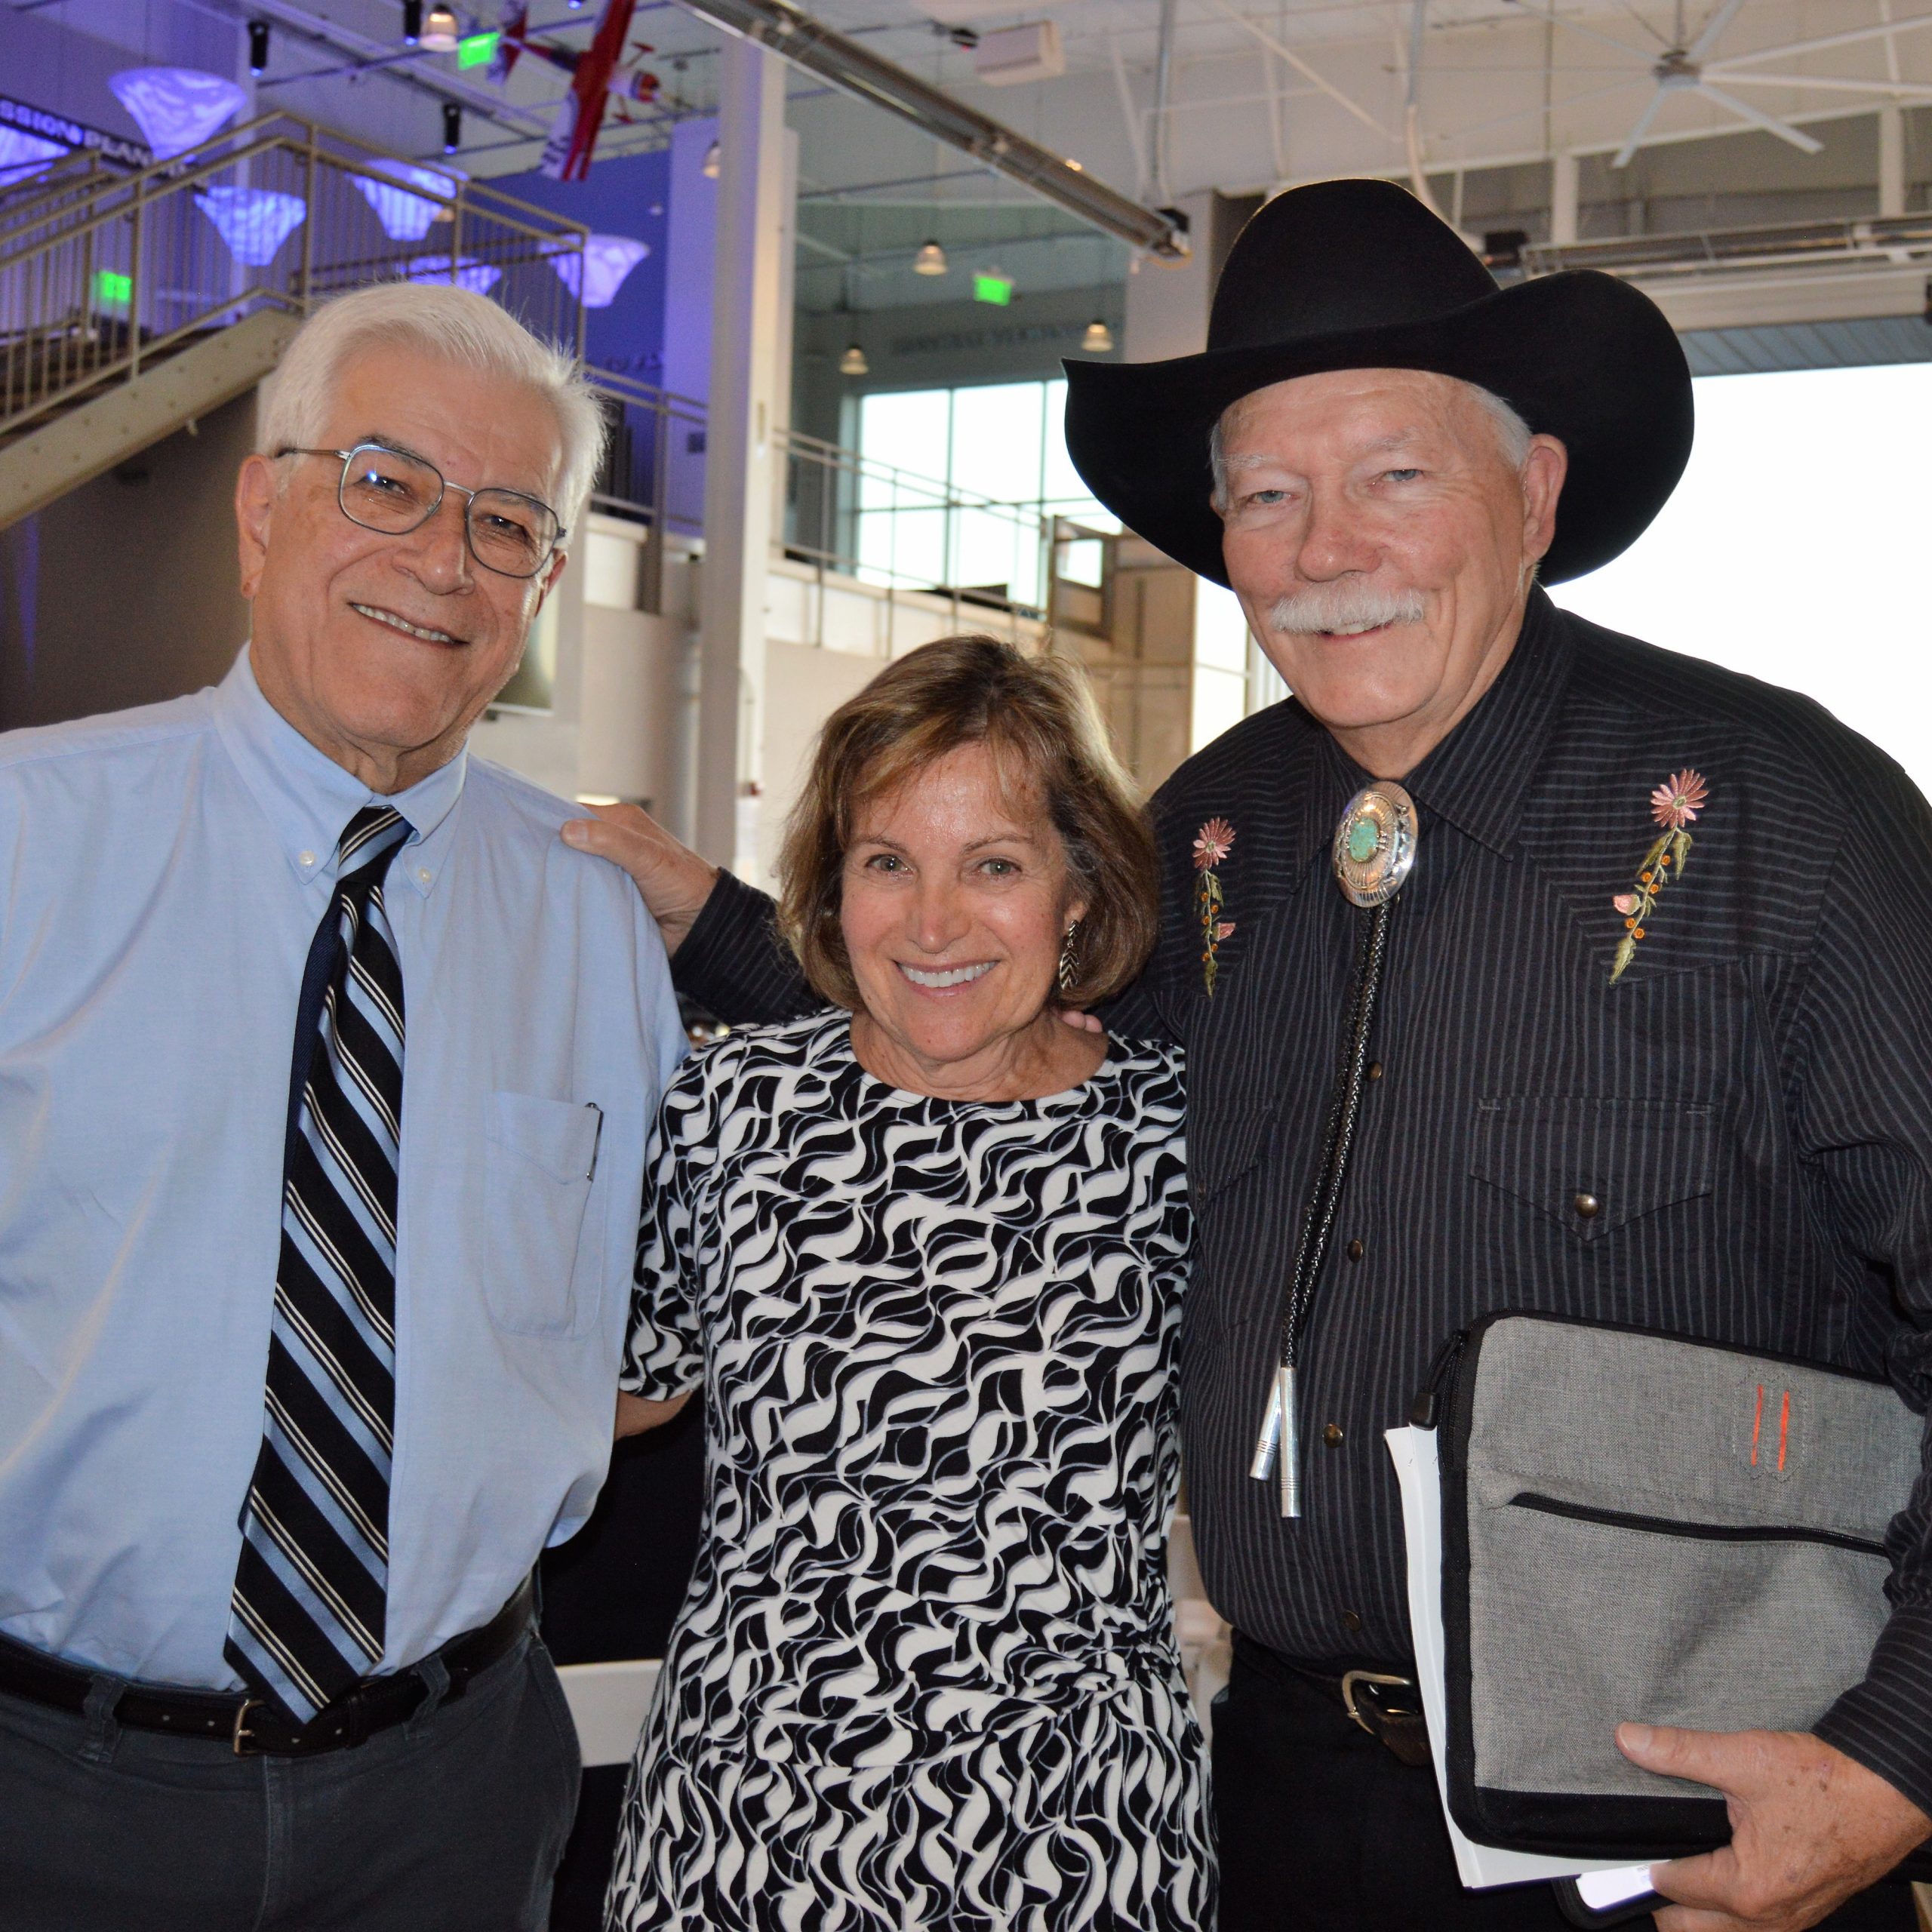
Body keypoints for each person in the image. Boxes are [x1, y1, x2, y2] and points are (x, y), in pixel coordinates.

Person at [566, 180, 1932, 1932]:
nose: (1321, 546)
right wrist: (710, 917)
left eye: (1390, 475)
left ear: (1529, 495)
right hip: (1274, 1808)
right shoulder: (1210, 842)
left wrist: (1892, 1758)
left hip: (1665, 1820)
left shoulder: (1775, 823)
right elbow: (958, 1029)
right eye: (1268, 494)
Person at [0, 281, 686, 1930]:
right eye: (385, 481)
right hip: (52, 1789)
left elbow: (651, 1326)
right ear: (262, 506)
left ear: (540, 580)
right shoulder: (28, 844)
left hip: (444, 1797)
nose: (444, 555)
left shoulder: (599, 921)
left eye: (508, 519)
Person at [601, 635, 1213, 1930]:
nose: (933, 924)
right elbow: (626, 1392)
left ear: (1082, 892)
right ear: (831, 892)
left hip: (1077, 1843)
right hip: (748, 1832)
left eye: (994, 866)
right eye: (888, 864)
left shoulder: (1180, 1138)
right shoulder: (730, 1108)